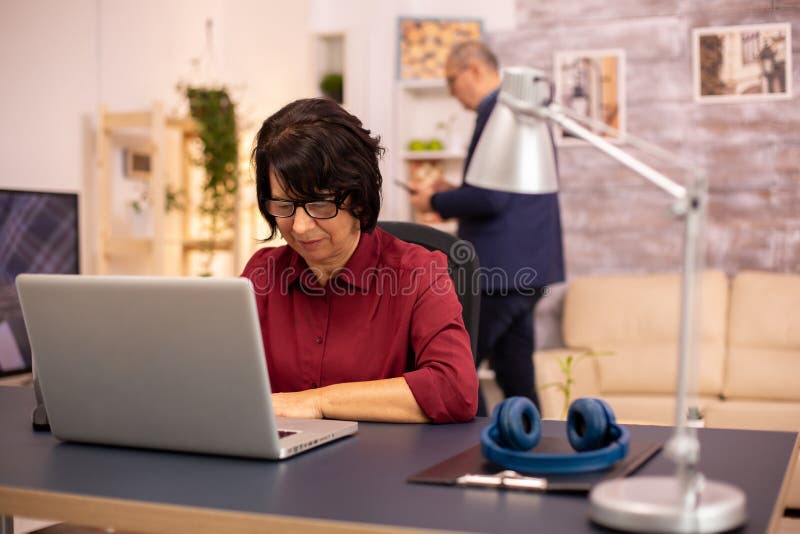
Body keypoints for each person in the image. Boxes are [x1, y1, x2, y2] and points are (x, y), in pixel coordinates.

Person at [241, 97, 478, 424]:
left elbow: (455, 390)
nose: (300, 226)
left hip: (380, 468)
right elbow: (227, 384)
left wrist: (318, 402)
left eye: (320, 205)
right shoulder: (262, 273)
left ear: (360, 198)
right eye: (283, 205)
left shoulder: (418, 272)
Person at [409, 41, 565, 416]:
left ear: (474, 70)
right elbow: (503, 190)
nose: (451, 92)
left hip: (501, 272)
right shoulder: (519, 110)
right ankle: (531, 449)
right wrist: (455, 192)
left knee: (452, 369)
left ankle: (464, 450)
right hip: (526, 268)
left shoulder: (501, 111)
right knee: (515, 373)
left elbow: (492, 198)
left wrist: (435, 202)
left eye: (451, 80)